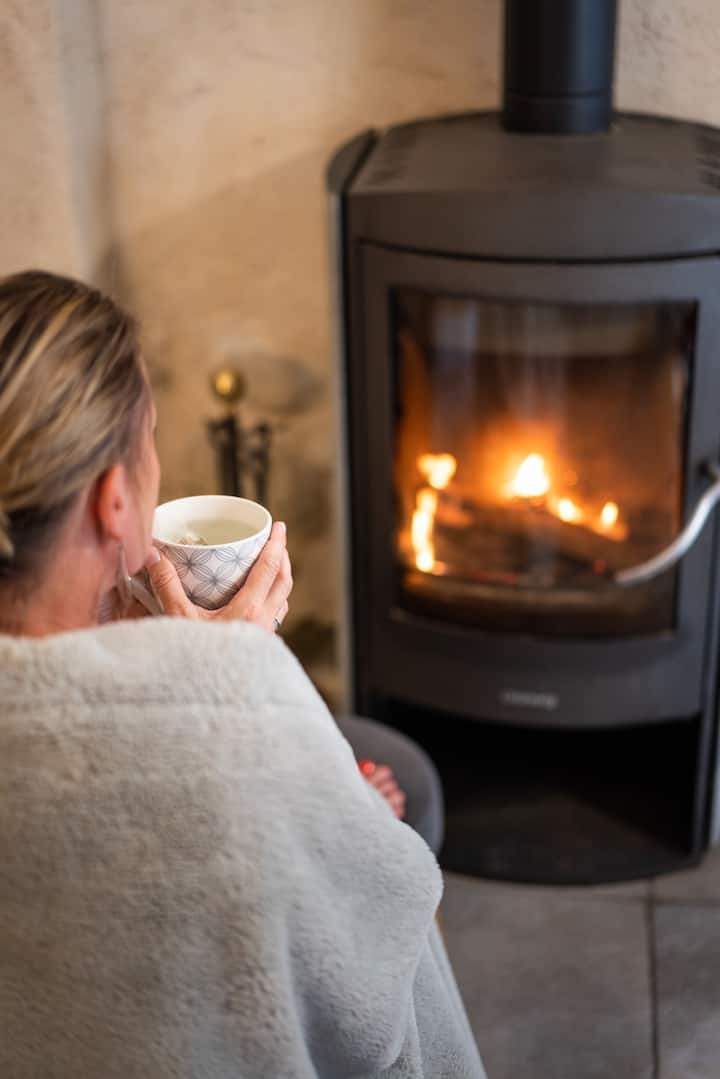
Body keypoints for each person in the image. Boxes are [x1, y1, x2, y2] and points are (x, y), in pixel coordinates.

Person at [0, 270, 485, 1079]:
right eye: (151, 435)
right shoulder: (240, 714)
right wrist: (238, 676)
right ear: (113, 501)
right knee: (409, 792)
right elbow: (372, 992)